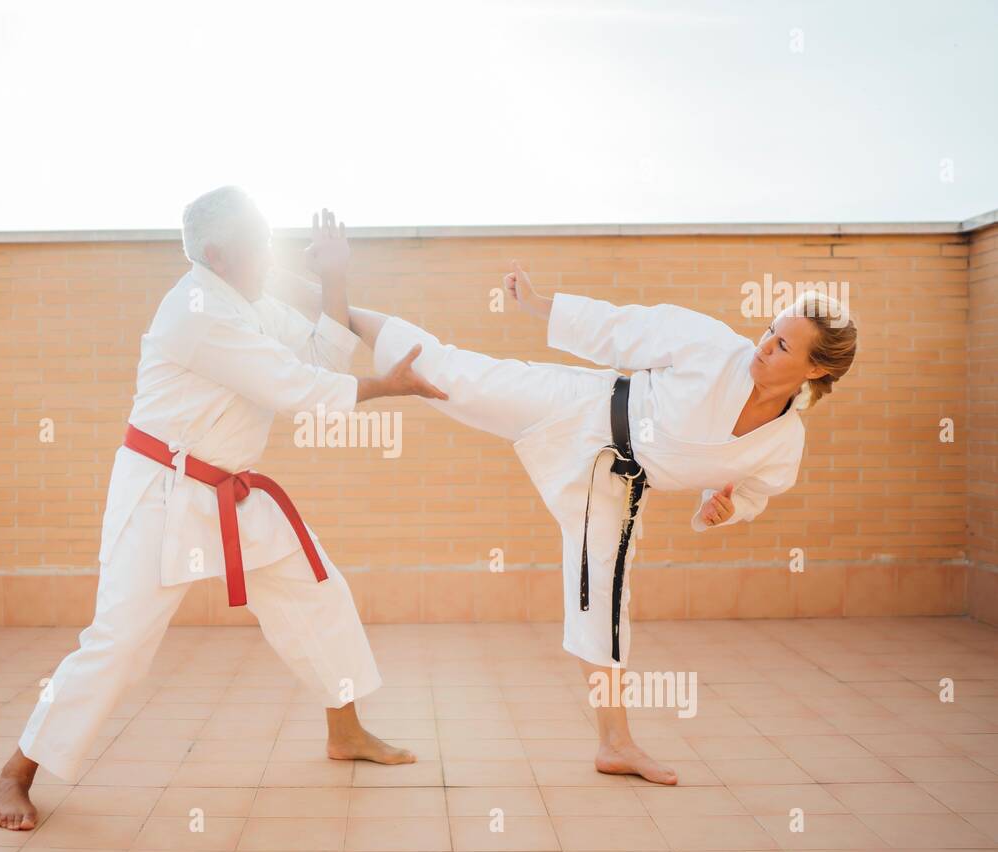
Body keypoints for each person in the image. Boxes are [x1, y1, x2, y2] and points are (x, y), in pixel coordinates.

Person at [278, 262, 857, 785]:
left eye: (782, 346)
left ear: (814, 370)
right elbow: (623, 327)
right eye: (769, 331)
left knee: (604, 600)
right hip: (579, 405)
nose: (764, 346)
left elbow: (747, 491)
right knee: (450, 375)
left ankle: (616, 743)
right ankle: (325, 298)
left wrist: (720, 507)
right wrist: (538, 304)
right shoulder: (714, 347)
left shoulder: (783, 444)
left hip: (615, 483)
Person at [0, 187, 447, 829]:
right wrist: (389, 388)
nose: (267, 253)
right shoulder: (197, 311)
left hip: (232, 491)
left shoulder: (248, 304)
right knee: (119, 644)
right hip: (160, 493)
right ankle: (15, 773)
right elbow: (295, 389)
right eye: (255, 244)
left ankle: (346, 731)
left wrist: (335, 277)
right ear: (215, 253)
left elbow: (320, 352)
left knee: (318, 590)